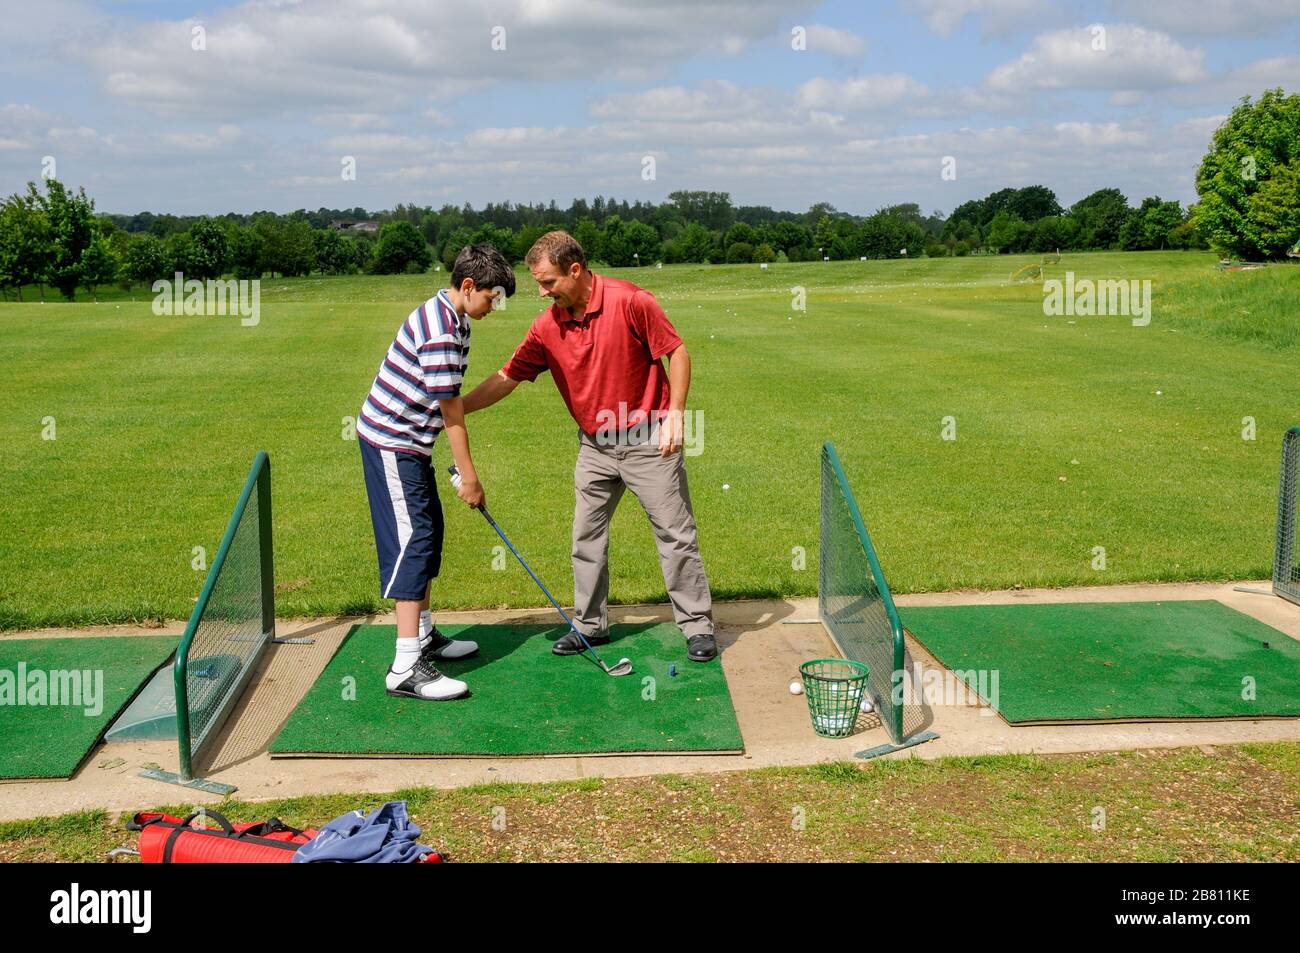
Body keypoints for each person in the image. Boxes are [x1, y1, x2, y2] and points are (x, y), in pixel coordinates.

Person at [463, 231, 716, 662]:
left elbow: (677, 352)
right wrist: (456, 410)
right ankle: (590, 626)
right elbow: (508, 376)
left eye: (547, 282)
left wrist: (676, 414)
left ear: (575, 270)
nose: (542, 292)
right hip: (594, 448)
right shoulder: (547, 326)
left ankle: (697, 626)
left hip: (648, 440)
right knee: (586, 538)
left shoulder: (632, 301)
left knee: (675, 536)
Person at [357, 244, 515, 700]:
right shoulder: (443, 329)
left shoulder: (455, 316)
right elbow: (452, 416)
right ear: (468, 286)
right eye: (492, 299)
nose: (494, 308)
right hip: (392, 442)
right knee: (414, 541)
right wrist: (470, 478)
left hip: (410, 443)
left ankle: (422, 635)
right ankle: (406, 666)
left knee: (430, 532)